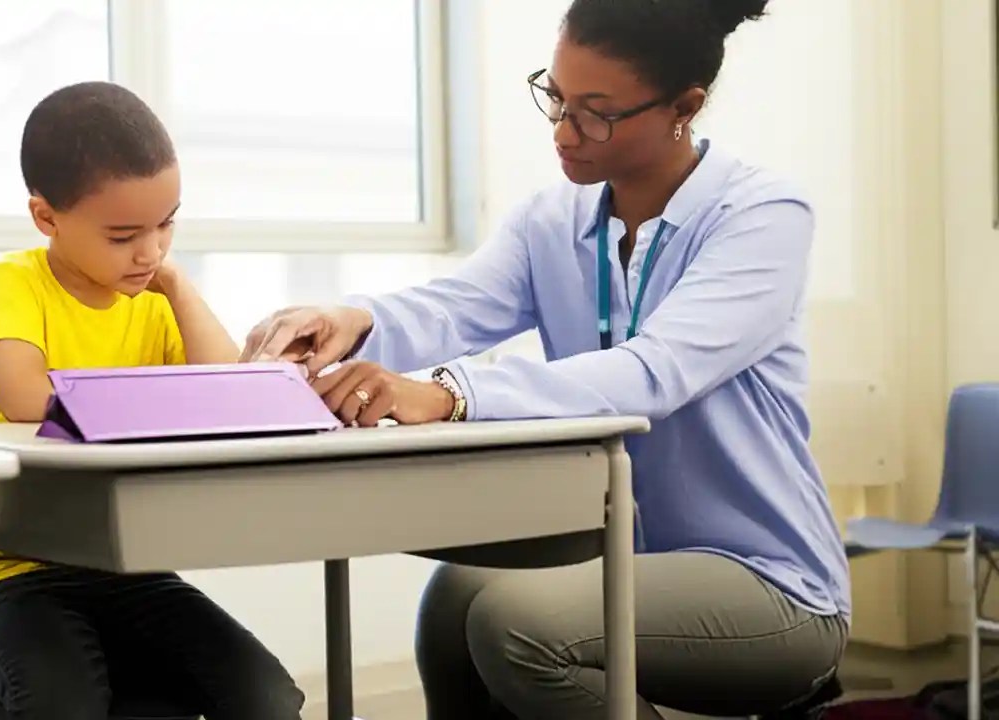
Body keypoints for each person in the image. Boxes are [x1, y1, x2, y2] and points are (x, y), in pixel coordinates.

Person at [240, 0, 849, 717]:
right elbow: (457, 306)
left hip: (769, 584)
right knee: (453, 599)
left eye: (597, 113)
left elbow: (654, 372)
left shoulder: (760, 217)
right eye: (556, 98)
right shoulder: (551, 220)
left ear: (684, 107)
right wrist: (352, 321)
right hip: (621, 555)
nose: (563, 131)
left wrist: (448, 395)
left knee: (517, 625)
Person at [0, 81, 304, 720]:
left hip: (130, 567)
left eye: (166, 224)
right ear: (47, 218)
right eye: (122, 236)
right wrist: (157, 401)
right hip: (20, 574)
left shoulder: (153, 295)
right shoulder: (16, 282)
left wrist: (177, 287)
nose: (151, 250)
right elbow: (25, 397)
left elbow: (233, 391)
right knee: (65, 706)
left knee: (268, 698)